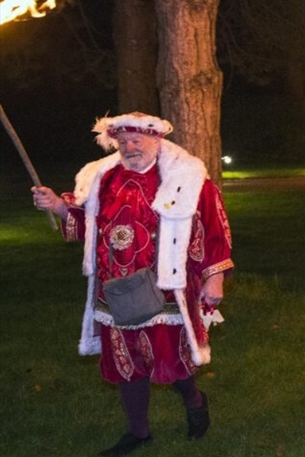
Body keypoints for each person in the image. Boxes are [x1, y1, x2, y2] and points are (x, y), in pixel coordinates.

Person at [30, 112, 234, 456]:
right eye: (123, 142)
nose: (130, 147)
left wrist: (214, 278)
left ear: (156, 140)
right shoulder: (103, 179)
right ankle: (138, 432)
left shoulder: (187, 178)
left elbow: (214, 229)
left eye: (137, 140)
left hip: (166, 286)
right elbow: (86, 223)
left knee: (174, 360)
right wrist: (58, 207)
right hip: (116, 287)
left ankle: (195, 401)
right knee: (127, 361)